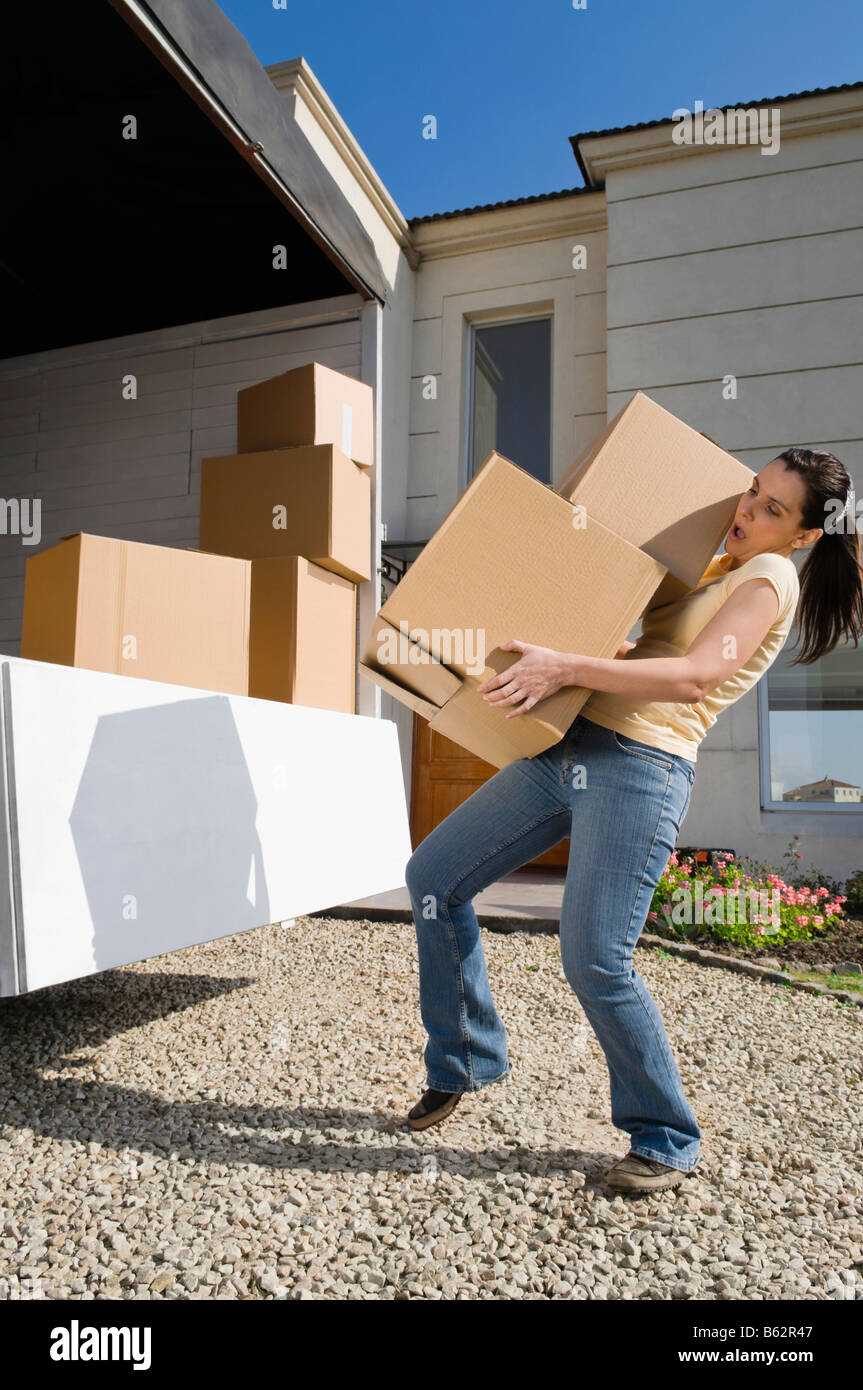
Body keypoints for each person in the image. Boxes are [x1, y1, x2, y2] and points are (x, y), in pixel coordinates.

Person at [402, 448, 863, 1193]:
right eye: (752, 492)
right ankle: (464, 1058)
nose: (747, 511)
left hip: (641, 768)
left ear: (804, 536)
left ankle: (666, 1138)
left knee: (594, 958)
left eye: (773, 509)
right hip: (570, 745)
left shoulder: (768, 580)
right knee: (433, 877)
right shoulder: (713, 567)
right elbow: (645, 651)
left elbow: (694, 676)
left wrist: (567, 667)